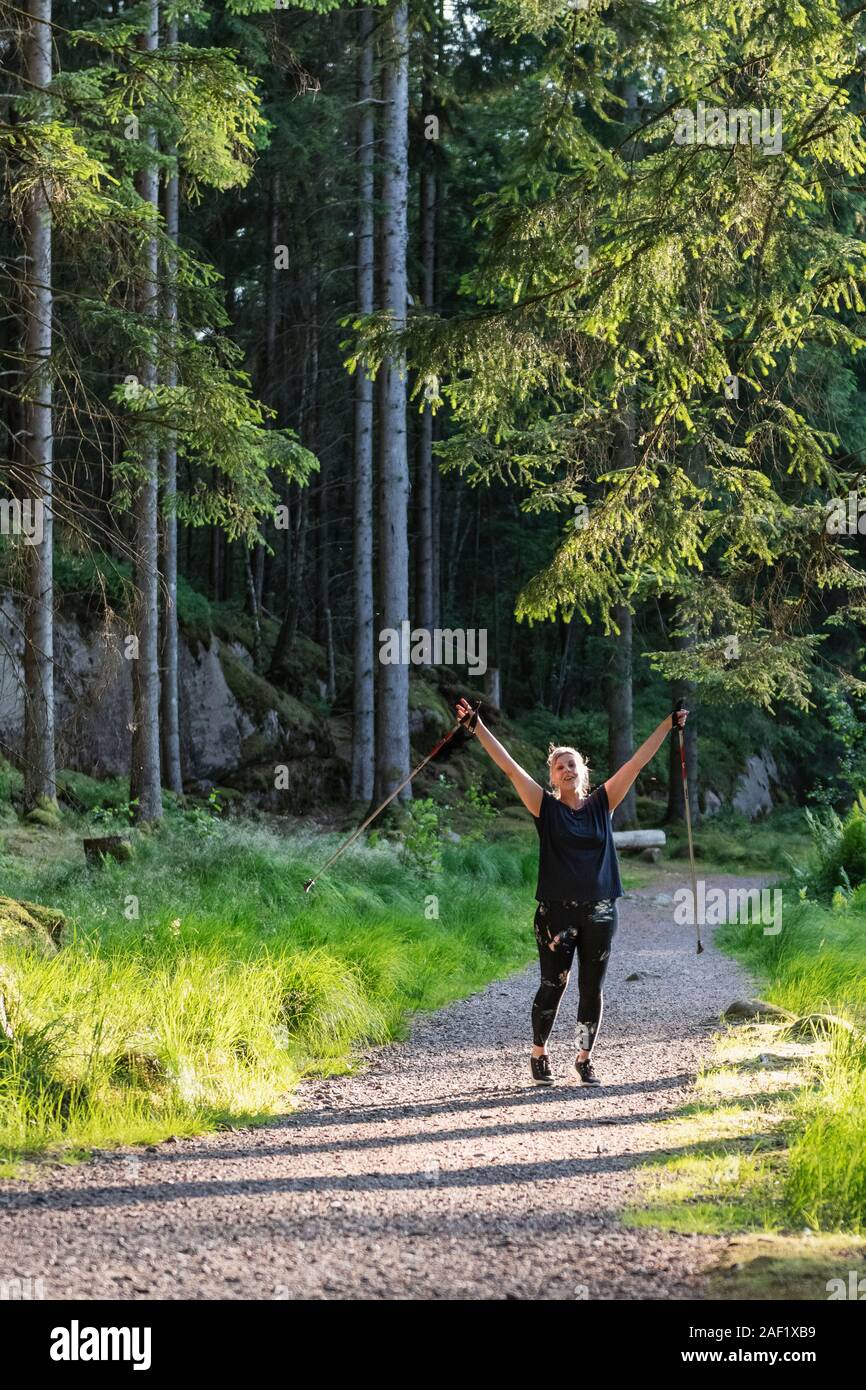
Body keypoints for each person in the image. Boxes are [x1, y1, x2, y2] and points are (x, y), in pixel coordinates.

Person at [454, 697, 689, 1087]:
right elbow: (511, 769)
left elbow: (636, 763)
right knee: (553, 983)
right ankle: (539, 1053)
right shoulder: (544, 808)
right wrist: (477, 728)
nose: (566, 769)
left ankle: (584, 1058)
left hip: (599, 911)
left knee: (590, 986)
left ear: (583, 772)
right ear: (552, 776)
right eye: (559, 765)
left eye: (572, 764)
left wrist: (668, 724)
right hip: (555, 915)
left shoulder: (603, 803)